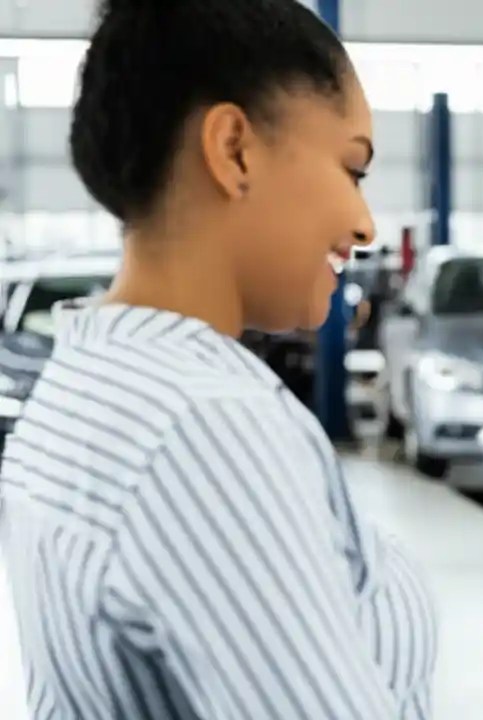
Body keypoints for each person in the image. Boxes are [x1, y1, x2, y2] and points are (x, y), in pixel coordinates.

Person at [0, 0, 437, 717]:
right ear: (234, 148)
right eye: (351, 168)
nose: (363, 223)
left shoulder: (87, 378)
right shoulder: (204, 424)